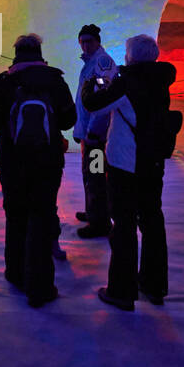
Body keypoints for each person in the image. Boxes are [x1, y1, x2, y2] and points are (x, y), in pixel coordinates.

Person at [81, 34, 178, 310]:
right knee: (152, 222)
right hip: (153, 162)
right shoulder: (161, 80)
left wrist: (90, 86)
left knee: (123, 225)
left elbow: (94, 105)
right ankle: (153, 284)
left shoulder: (128, 82)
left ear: (131, 56)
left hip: (125, 164)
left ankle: (121, 291)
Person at [0, 34, 76, 307]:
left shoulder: (4, 81)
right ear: (39, 53)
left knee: (15, 214)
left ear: (16, 54)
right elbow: (69, 118)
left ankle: (15, 272)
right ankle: (41, 286)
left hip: (13, 159)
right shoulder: (55, 80)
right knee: (43, 214)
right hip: (47, 160)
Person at [72, 24, 116, 239]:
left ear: (98, 41)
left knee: (96, 175)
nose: (85, 45)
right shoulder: (91, 63)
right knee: (90, 174)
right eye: (82, 41)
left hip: (96, 136)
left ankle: (100, 222)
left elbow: (101, 101)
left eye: (89, 41)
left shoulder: (102, 63)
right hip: (89, 134)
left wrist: (93, 132)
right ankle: (93, 211)